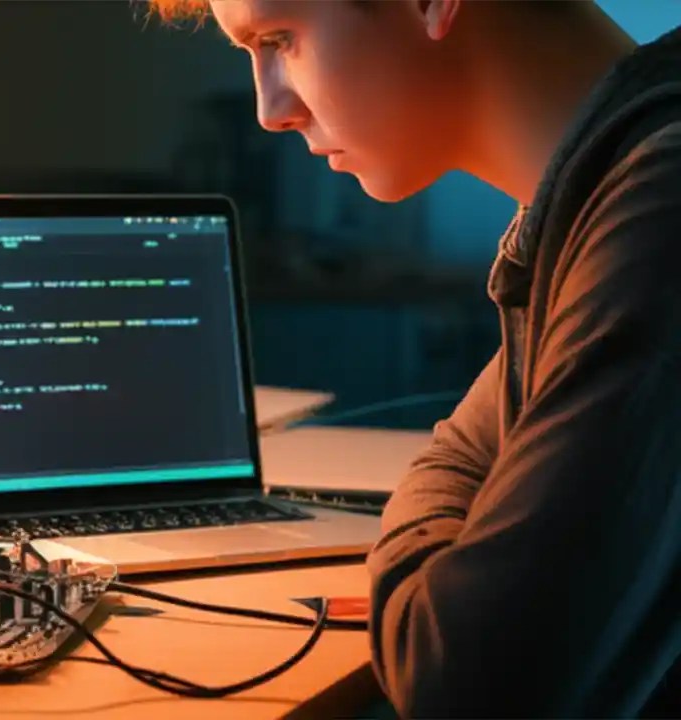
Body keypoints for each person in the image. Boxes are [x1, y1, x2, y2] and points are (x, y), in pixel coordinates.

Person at [148, 0, 681, 716]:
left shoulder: (657, 209)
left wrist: (426, 538)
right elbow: (461, 457)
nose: (269, 109)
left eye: (281, 39)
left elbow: (457, 672)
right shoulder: (598, 199)